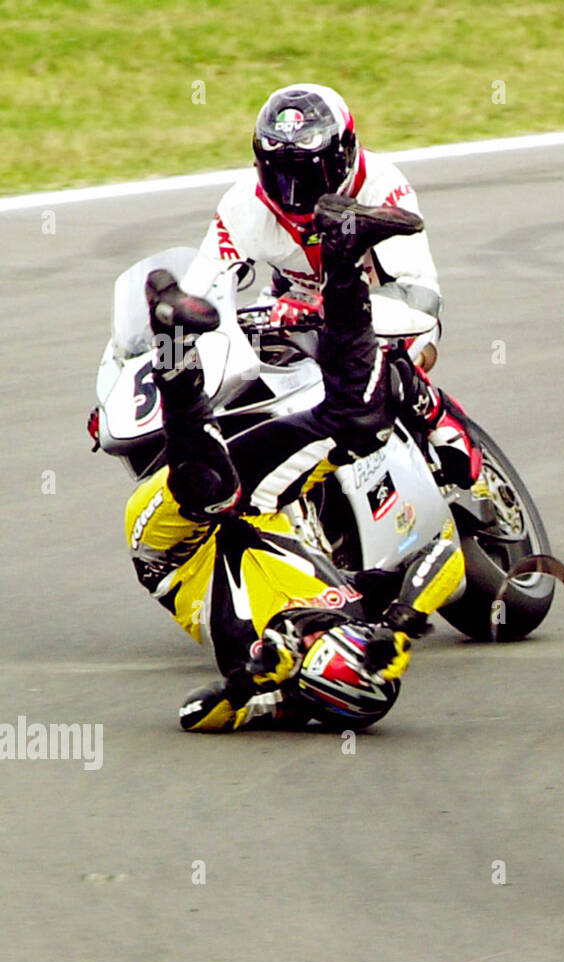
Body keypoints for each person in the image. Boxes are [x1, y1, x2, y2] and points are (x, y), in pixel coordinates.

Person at [126, 195, 466, 733]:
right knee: (359, 421)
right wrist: (404, 623)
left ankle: (172, 339)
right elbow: (444, 556)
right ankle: (342, 252)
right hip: (264, 507)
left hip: (175, 550)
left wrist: (251, 684)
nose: (319, 633)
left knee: (213, 488)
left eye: (318, 647)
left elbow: (194, 714)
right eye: (334, 635)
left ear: (311, 683)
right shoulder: (357, 612)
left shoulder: (255, 665)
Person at [180, 81, 475, 478]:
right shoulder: (241, 206)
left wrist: (337, 310)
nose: (294, 193)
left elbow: (419, 297)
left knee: (387, 357)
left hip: (382, 305)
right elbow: (197, 293)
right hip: (293, 309)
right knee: (237, 386)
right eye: (278, 175)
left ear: (347, 156)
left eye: (310, 174)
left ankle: (438, 415)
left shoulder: (381, 184)